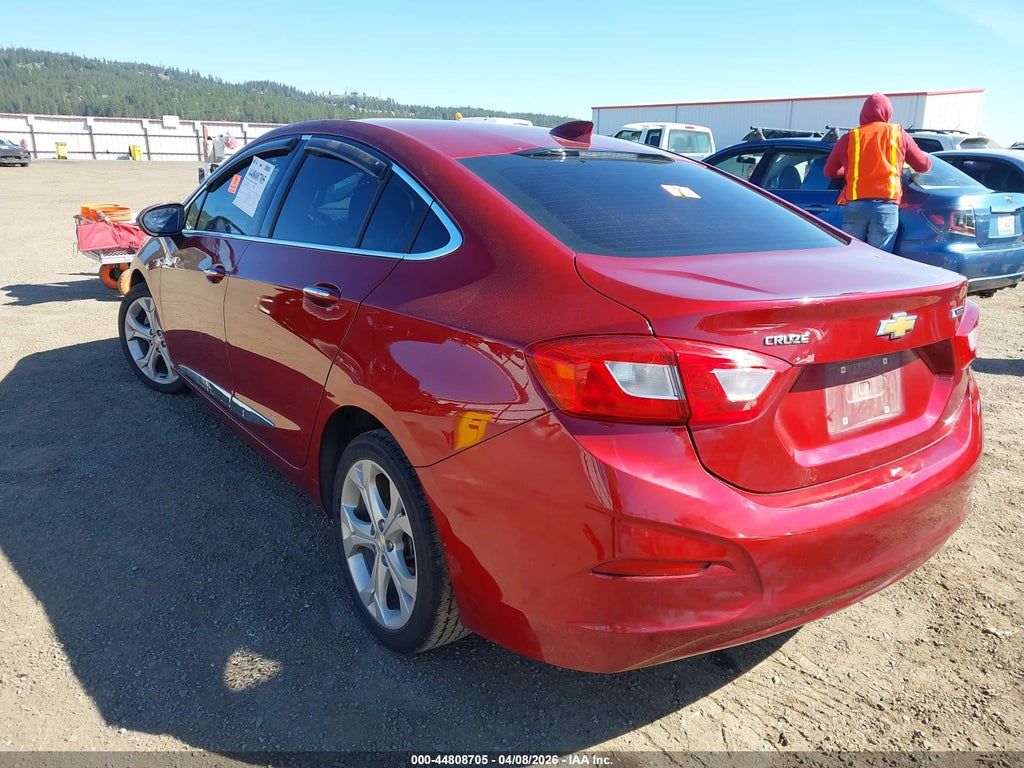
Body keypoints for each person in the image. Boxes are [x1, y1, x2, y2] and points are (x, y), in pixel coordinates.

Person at [824, 92, 932, 252]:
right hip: (886, 206)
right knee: (879, 259)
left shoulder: (850, 137)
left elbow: (829, 171)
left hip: (856, 205)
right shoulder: (898, 134)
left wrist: (850, 171)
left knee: (851, 257)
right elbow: (923, 165)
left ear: (863, 113)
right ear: (888, 112)